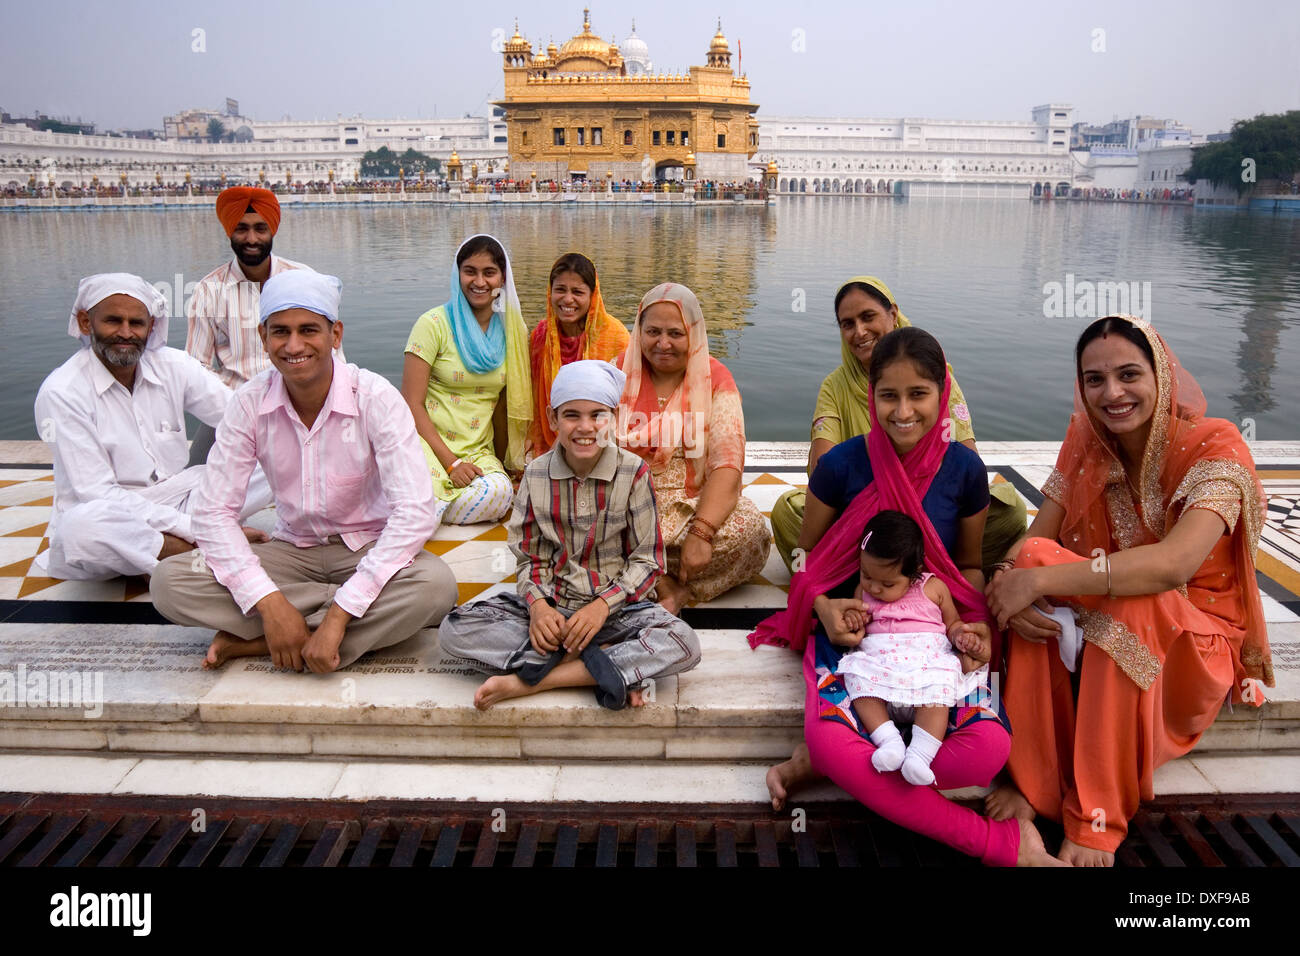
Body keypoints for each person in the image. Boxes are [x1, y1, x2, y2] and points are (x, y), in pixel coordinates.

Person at [750, 326, 1063, 867]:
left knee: (987, 751)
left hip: (931, 637)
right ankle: (1007, 847)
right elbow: (805, 562)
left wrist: (972, 625)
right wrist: (825, 607)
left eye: (917, 394)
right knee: (834, 742)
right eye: (888, 395)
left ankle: (820, 766)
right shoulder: (841, 465)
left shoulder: (964, 470)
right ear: (870, 396)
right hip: (853, 634)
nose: (902, 412)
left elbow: (964, 566)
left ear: (943, 395)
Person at [984, 315, 1272, 866]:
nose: (1111, 394)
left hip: (1196, 639)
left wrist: (1038, 581)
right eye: (1095, 380)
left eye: (1128, 375)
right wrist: (1011, 577)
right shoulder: (1087, 440)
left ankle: (1097, 816)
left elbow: (1171, 566)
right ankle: (1034, 780)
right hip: (1118, 612)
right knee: (1031, 561)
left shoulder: (1216, 447)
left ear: (1160, 375)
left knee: (1127, 596)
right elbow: (1036, 541)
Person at [151, 271, 457, 673]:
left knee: (435, 587)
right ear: (263, 338)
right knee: (169, 582)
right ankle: (296, 628)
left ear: (336, 335)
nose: (293, 346)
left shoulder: (376, 398)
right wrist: (270, 602)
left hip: (366, 546)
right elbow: (213, 514)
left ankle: (267, 641)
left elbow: (413, 514)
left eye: (308, 330)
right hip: (291, 551)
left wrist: (340, 612)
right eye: (280, 331)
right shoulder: (248, 404)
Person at [438, 360, 701, 710]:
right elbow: (531, 557)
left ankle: (532, 681)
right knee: (454, 628)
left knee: (683, 641)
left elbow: (647, 560)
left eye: (597, 415)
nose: (585, 427)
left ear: (615, 418)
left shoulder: (633, 472)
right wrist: (538, 610)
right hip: (555, 609)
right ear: (552, 419)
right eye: (572, 415)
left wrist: (600, 608)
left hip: (616, 613)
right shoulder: (535, 474)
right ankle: (607, 666)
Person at [769, 276, 1024, 573]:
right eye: (847, 324)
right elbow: (821, 468)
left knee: (1012, 512)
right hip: (859, 510)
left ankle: (892, 565)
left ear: (892, 313)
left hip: (934, 507)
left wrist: (919, 488)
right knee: (788, 512)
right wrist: (879, 484)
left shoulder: (940, 378)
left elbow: (966, 465)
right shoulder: (836, 386)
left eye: (868, 317)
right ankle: (923, 565)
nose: (859, 332)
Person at [34, 273, 270, 581]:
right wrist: (195, 529)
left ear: (151, 326)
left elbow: (240, 418)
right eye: (113, 321)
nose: (125, 333)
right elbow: (98, 495)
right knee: (81, 528)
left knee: (275, 453)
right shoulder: (63, 392)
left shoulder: (173, 365)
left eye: (136, 323)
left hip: (182, 496)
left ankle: (158, 553)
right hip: (114, 513)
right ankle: (197, 547)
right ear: (85, 323)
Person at [614, 282, 771, 613]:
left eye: (676, 333)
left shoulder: (716, 379)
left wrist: (702, 532)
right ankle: (663, 582)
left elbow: (727, 463)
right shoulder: (616, 374)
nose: (663, 343)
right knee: (577, 521)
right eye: (653, 331)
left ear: (694, 334)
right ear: (638, 332)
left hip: (689, 509)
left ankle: (645, 577)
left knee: (751, 530)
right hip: (622, 510)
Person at [838, 510, 990, 786]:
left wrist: (961, 637)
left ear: (914, 574)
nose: (874, 587)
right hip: (880, 675)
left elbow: (953, 622)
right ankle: (890, 742)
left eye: (887, 583)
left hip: (925, 671)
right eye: (866, 575)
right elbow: (855, 626)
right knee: (855, 671)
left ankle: (920, 755)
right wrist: (853, 619)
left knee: (943, 675)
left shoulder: (934, 589)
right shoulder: (863, 593)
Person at [401, 234, 531, 530]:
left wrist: (507, 461)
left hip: (477, 452)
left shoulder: (513, 329)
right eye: (470, 271)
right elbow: (410, 402)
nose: (479, 282)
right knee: (414, 486)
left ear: (502, 278)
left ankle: (426, 513)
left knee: (499, 494)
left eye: (489, 272)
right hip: (426, 444)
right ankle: (425, 508)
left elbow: (503, 405)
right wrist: (450, 462)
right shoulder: (433, 324)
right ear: (457, 274)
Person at [185, 186, 317, 464]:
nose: (252, 238)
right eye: (242, 229)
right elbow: (196, 368)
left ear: (272, 231)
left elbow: (329, 352)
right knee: (194, 478)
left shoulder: (303, 279)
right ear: (229, 231)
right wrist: (237, 406)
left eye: (260, 228)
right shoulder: (209, 290)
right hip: (232, 407)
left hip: (300, 404)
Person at [527, 252, 630, 457]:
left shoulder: (616, 337)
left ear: (592, 295)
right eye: (560, 290)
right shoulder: (541, 335)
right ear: (550, 292)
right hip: (548, 434)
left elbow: (625, 402)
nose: (568, 299)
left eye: (577, 292)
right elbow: (534, 396)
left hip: (600, 436)